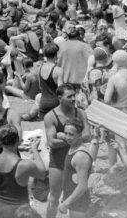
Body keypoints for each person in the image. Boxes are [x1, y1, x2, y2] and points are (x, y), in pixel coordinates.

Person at [0, 124, 46, 218]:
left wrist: (0, 191)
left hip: (0, 210)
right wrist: (34, 149)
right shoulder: (24, 165)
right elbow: (42, 173)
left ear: (0, 142)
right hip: (20, 212)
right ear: (17, 141)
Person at [44, 84, 90, 218]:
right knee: (54, 198)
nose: (73, 99)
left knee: (77, 196)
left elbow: (88, 136)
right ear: (59, 98)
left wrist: (62, 136)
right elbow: (51, 142)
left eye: (74, 95)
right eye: (69, 96)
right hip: (58, 162)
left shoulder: (80, 112)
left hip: (76, 162)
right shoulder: (50, 116)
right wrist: (74, 138)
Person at [58, 118, 99, 218]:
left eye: (71, 134)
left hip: (79, 202)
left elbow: (82, 186)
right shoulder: (73, 147)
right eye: (66, 133)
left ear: (80, 134)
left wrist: (66, 203)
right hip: (72, 197)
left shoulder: (80, 156)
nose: (67, 137)